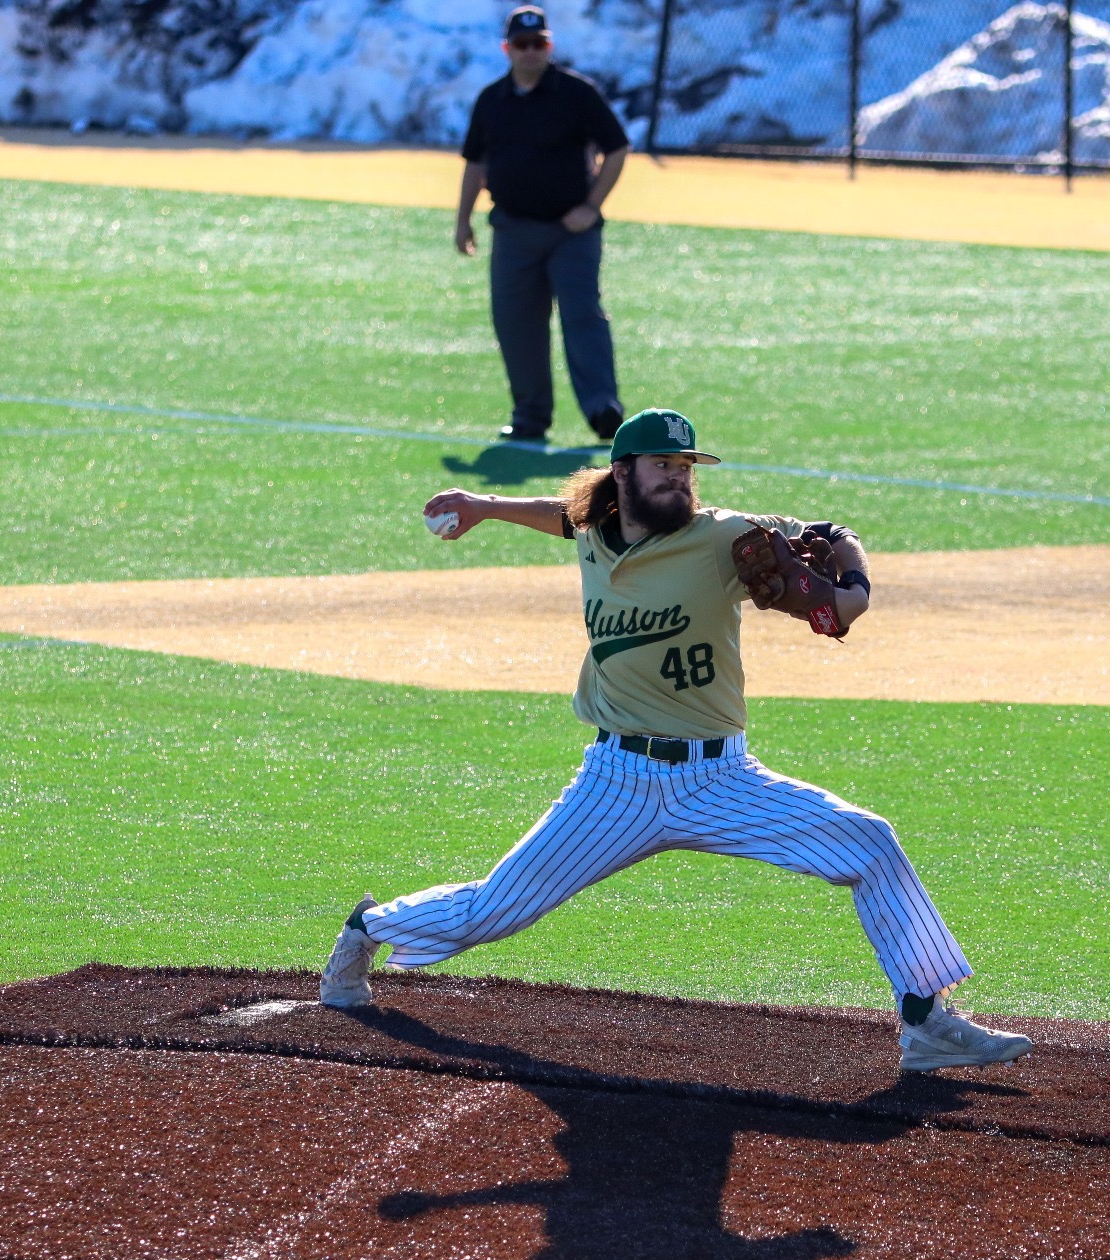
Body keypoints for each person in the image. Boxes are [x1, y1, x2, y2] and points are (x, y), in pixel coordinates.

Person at [320, 408, 1032, 1072]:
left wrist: (850, 570)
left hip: (721, 780)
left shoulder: (725, 536)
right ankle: (368, 927)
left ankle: (926, 1020)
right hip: (616, 783)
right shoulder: (594, 529)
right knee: (492, 909)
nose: (679, 477)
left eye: (687, 467)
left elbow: (831, 545)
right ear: (623, 473)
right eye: (663, 465)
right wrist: (482, 506)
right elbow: (561, 515)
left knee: (870, 842)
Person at [456, 5, 630, 446]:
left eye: (539, 43)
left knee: (582, 315)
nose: (531, 51)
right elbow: (475, 162)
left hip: (572, 232)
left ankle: (603, 409)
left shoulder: (576, 93)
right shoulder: (492, 100)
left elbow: (617, 148)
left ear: (549, 46)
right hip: (513, 230)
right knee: (516, 323)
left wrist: (591, 206)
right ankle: (530, 415)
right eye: (522, 44)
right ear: (507, 49)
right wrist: (462, 221)